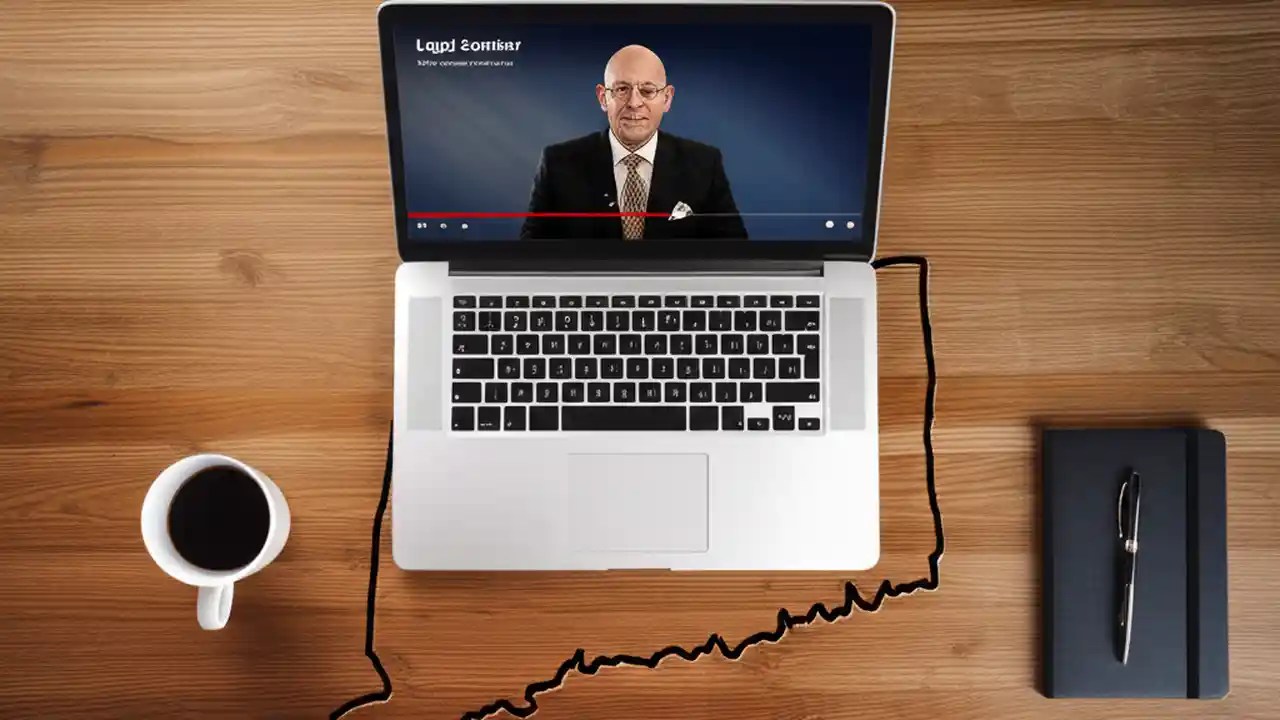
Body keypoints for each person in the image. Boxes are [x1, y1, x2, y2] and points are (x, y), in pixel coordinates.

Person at [520, 45, 747, 240]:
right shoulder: (558, 163)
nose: (634, 103)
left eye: (647, 91)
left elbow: (735, 254)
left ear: (666, 99)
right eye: (621, 89)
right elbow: (529, 257)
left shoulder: (705, 164)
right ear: (603, 97)